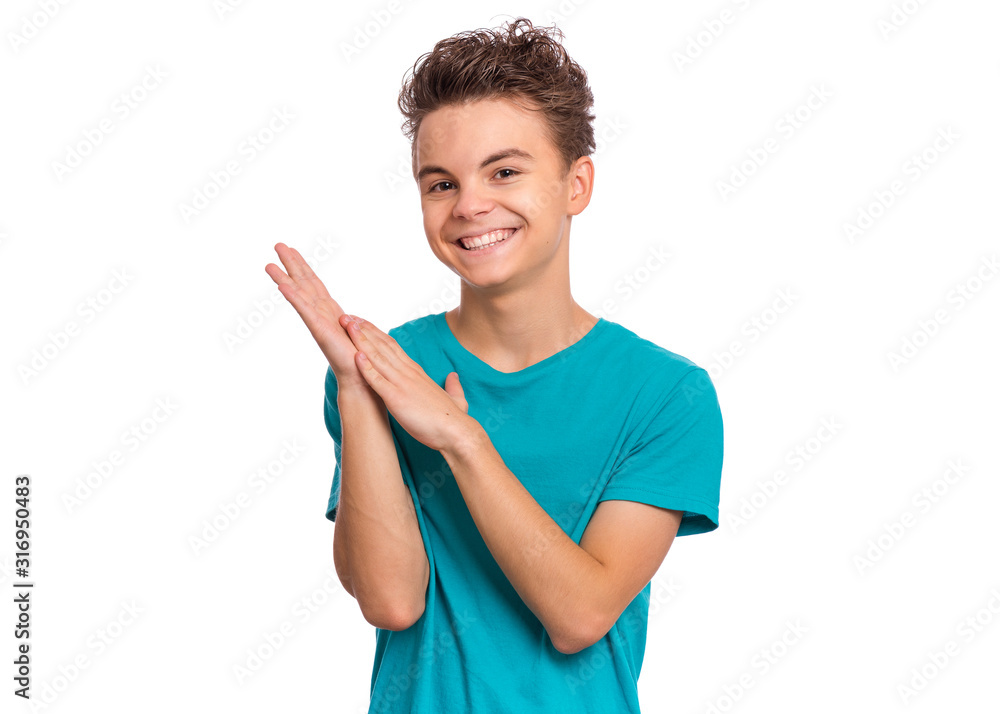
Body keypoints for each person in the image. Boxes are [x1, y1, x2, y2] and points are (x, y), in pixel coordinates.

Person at [265, 16, 724, 713]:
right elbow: (390, 601)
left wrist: (462, 440)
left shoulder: (666, 397)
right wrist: (358, 389)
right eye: (439, 183)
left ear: (577, 185)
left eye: (504, 171)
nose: (470, 205)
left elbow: (580, 616)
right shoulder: (382, 368)